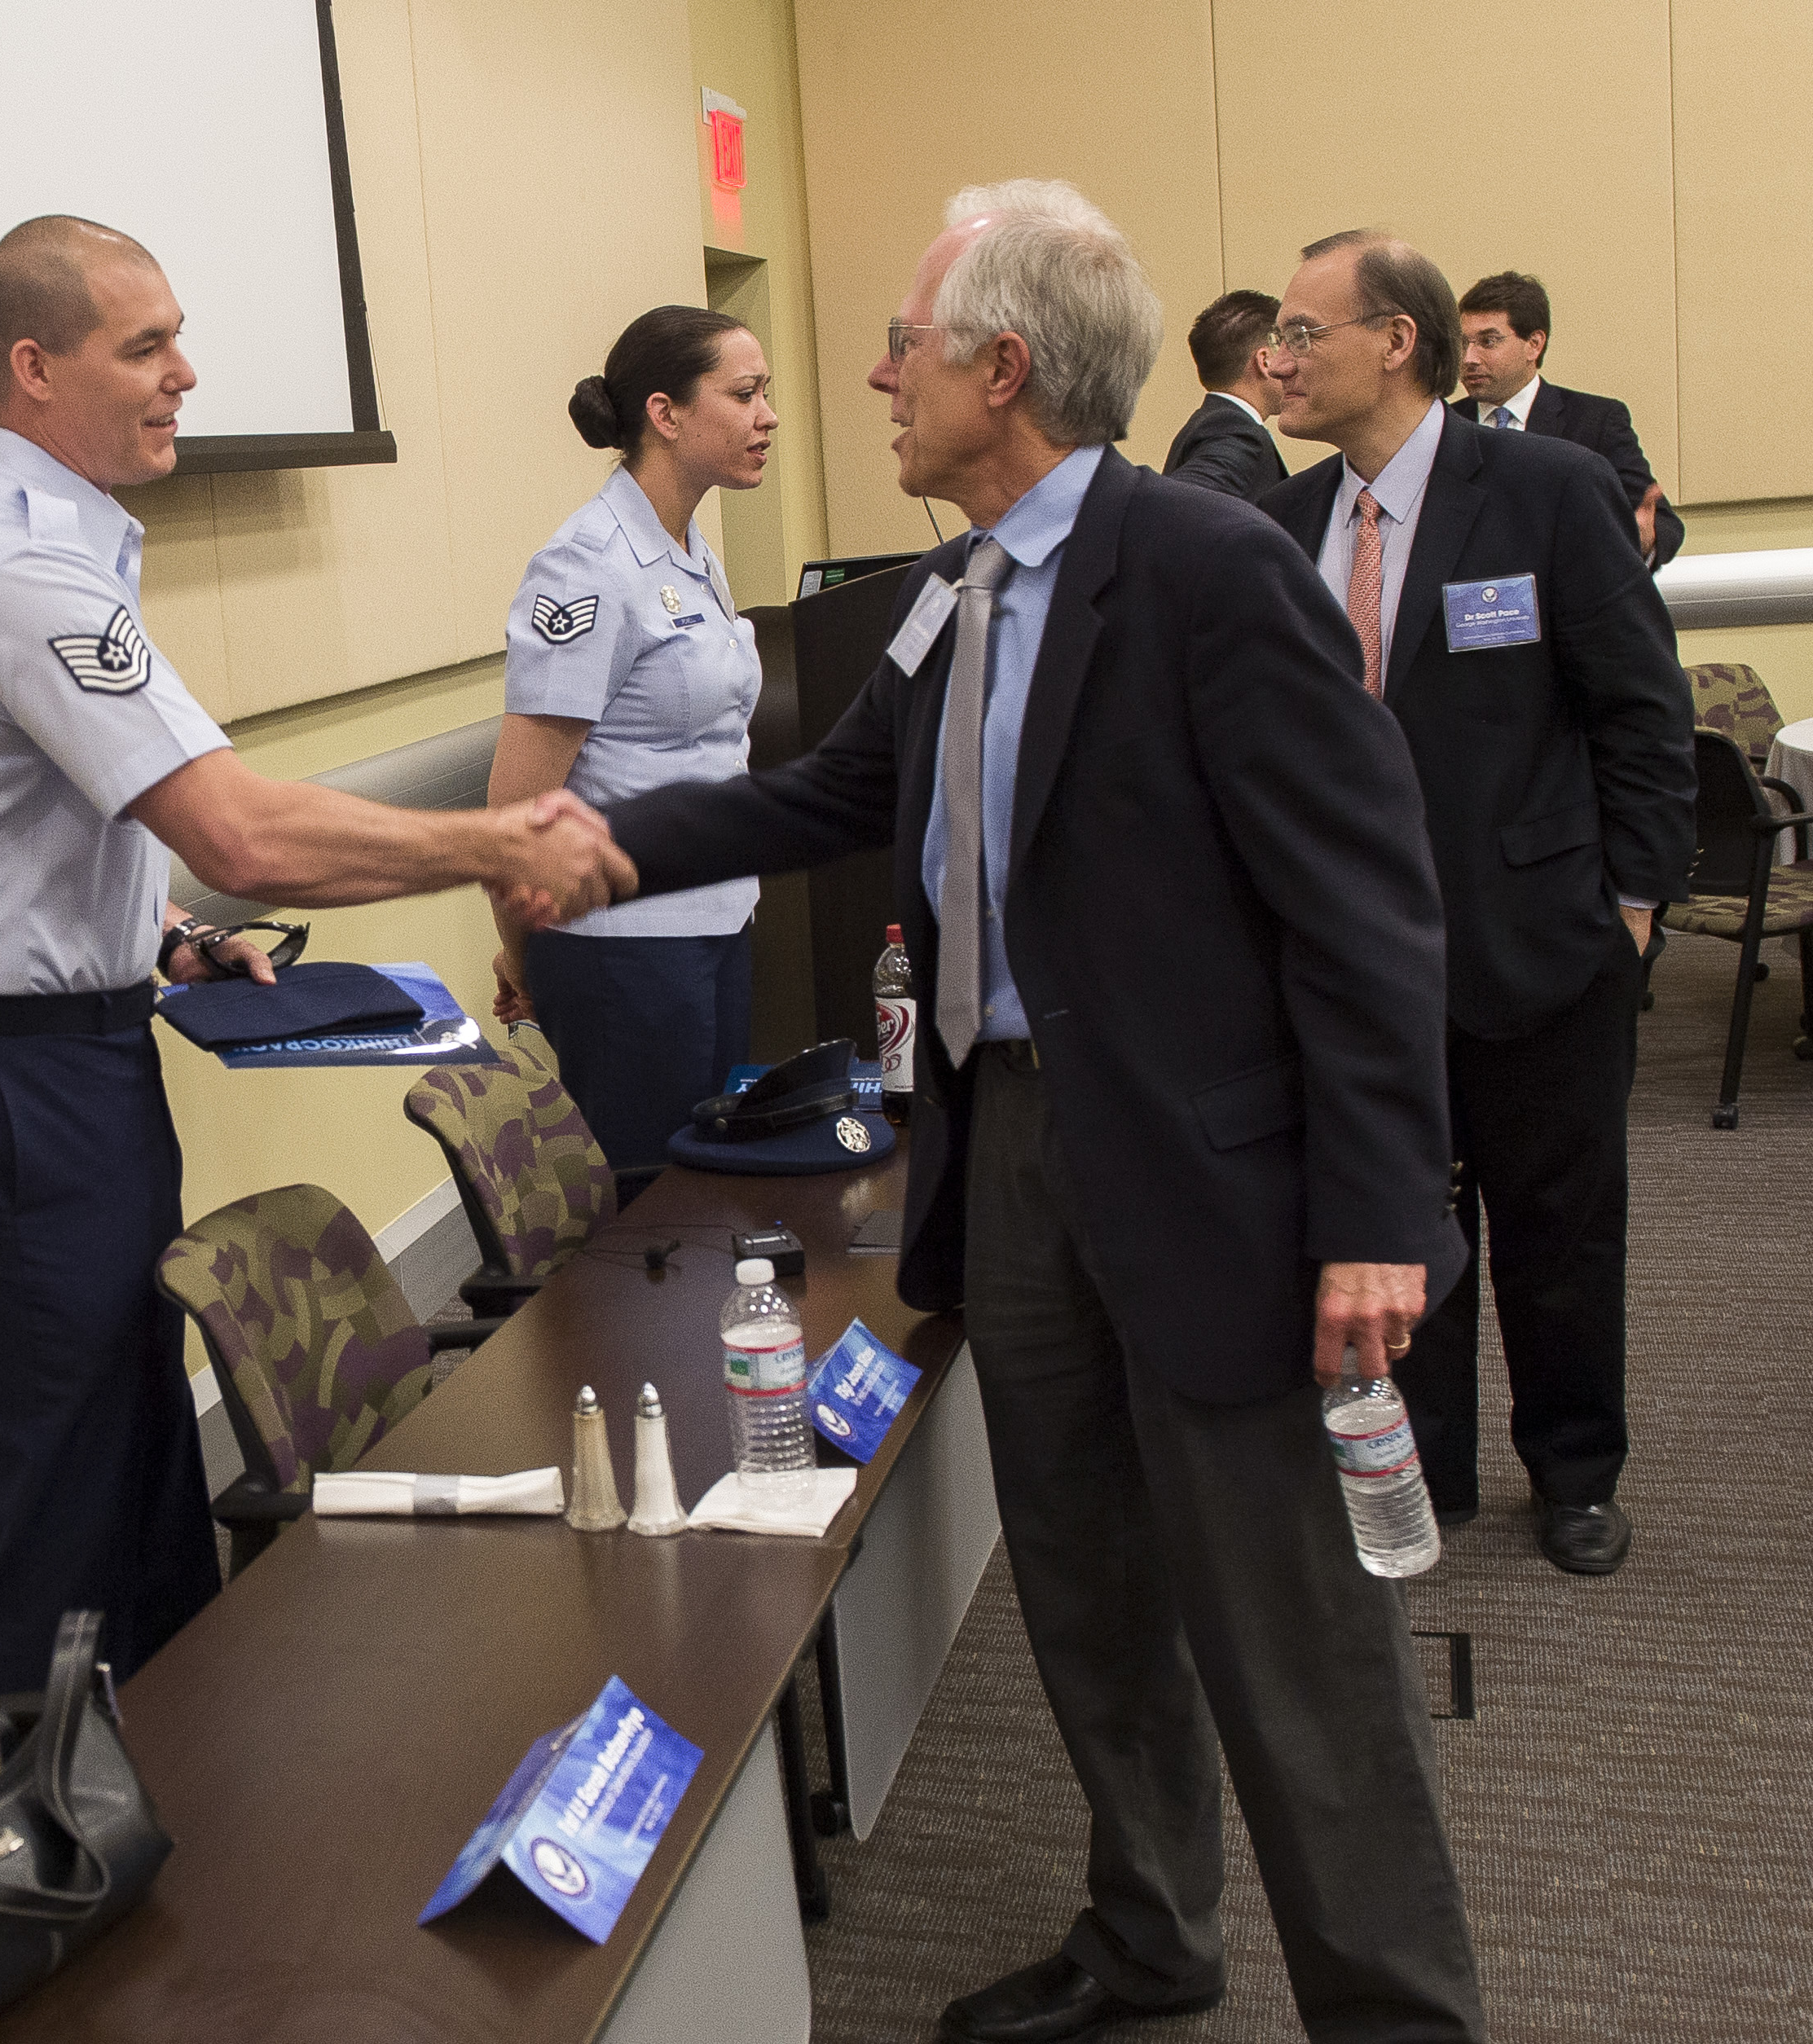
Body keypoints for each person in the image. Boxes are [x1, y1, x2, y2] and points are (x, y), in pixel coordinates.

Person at [585, 181, 1485, 2042]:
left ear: (1004, 370)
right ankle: (1155, 1930)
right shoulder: (941, 597)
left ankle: (1401, 2014)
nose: (870, 376)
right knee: (1080, 1581)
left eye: (904, 351)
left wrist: (1382, 1210)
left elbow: (1371, 906)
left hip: (1215, 1177)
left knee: (1295, 1645)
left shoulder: (1209, 566)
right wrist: (587, 840)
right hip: (1013, 1157)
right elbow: (823, 797)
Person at [0, 215, 631, 1702]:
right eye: (142, 347)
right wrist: (497, 843)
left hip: (65, 1060)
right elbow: (245, 831)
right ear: (32, 369)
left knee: (141, 1478)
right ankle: (40, 1875)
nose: (184, 373)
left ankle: (156, 1857)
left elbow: (41, 837)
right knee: (69, 1513)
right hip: (1, 1089)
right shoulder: (19, 568)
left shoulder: (60, 545)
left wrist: (166, 935)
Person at [1260, 232, 1694, 1577]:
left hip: (1542, 945)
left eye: (1299, 332)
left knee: (1561, 1231)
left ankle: (1573, 1466)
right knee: (1396, 1225)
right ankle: (1425, 1467)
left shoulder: (1547, 489)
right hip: (1355, 974)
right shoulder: (1279, 526)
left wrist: (1632, 913)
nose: (1274, 360)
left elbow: (1641, 711)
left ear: (1395, 340)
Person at [486, 306, 780, 1169]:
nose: (767, 416)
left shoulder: (693, 550)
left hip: (718, 919)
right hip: (624, 949)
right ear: (666, 413)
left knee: (711, 1188)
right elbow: (518, 805)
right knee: (649, 1220)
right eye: (745, 394)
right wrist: (521, 952)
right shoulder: (588, 566)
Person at [1447, 269, 1684, 566]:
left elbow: (1664, 524)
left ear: (1534, 344)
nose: (1469, 358)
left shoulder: (1595, 422)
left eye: (1488, 341)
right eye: (1463, 342)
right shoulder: (1445, 426)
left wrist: (1640, 542)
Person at [1158, 288, 1288, 499]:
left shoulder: (1208, 424)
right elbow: (1177, 505)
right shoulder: (1236, 432)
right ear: (1265, 361)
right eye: (1289, 346)